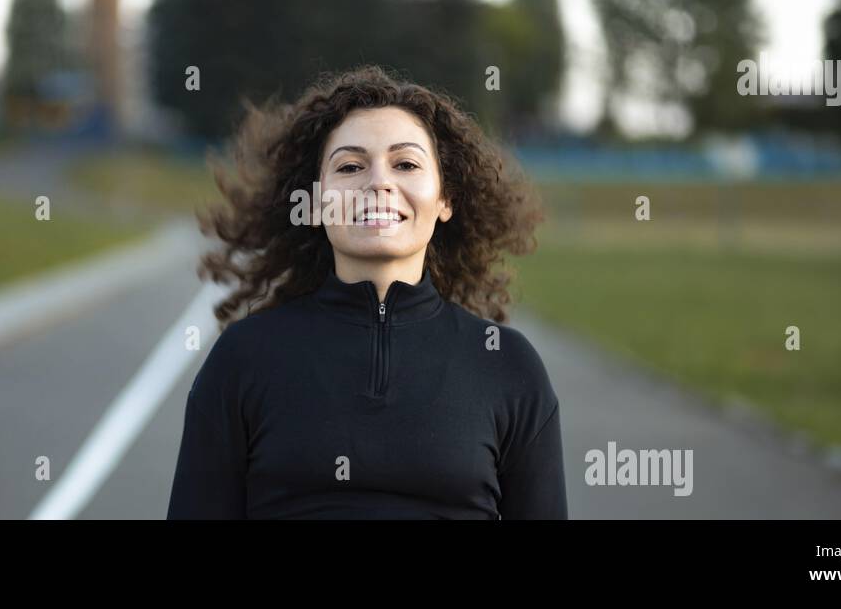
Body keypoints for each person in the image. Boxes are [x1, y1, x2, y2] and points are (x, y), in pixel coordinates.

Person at [166, 65, 566, 519]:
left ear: (445, 199)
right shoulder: (242, 359)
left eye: (406, 164)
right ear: (314, 202)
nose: (378, 183)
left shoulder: (509, 367)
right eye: (351, 167)